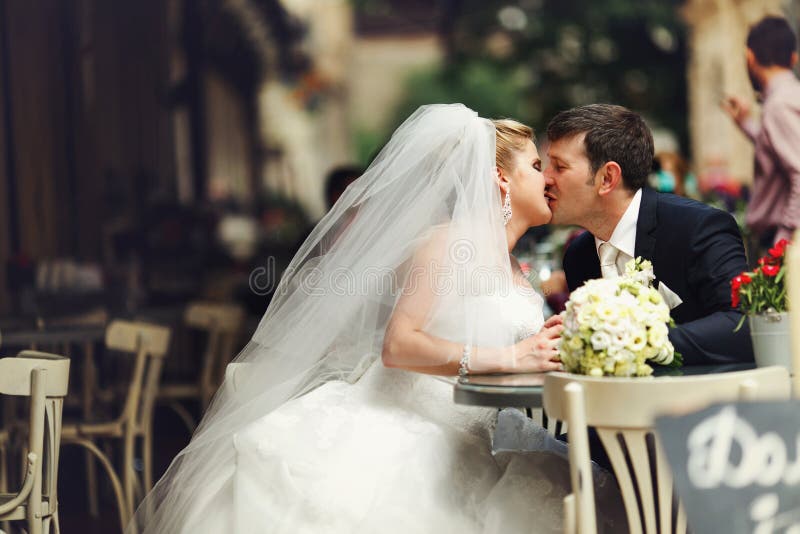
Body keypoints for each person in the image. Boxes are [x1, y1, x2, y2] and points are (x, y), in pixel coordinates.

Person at [130, 105, 624, 533]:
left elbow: (497, 345)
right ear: (500, 177)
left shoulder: (513, 267)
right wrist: (510, 355)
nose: (549, 179)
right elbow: (399, 345)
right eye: (537, 166)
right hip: (407, 431)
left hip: (480, 435)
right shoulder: (450, 242)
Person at [545, 104, 754, 365]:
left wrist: (636, 342)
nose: (545, 178)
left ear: (607, 178)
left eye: (559, 167)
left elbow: (743, 324)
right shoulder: (577, 256)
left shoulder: (697, 227)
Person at [722, 16, 800, 247]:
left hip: (780, 240)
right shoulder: (791, 97)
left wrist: (783, 241)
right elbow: (782, 154)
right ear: (793, 59)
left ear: (750, 57)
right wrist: (747, 125)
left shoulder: (779, 105)